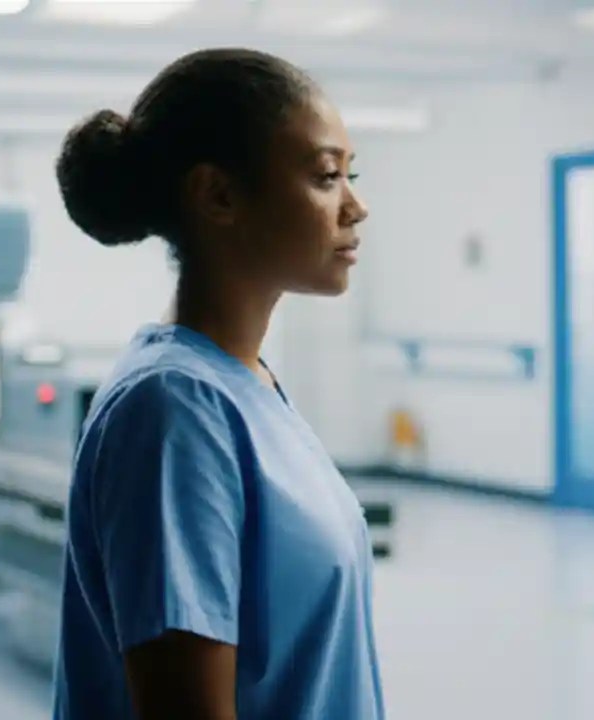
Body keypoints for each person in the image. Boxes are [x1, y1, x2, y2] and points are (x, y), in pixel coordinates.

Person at [50, 47, 383, 720]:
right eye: (326, 177)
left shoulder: (245, 385)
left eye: (351, 174)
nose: (357, 207)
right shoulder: (175, 408)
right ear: (219, 196)